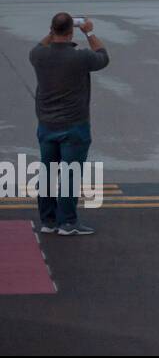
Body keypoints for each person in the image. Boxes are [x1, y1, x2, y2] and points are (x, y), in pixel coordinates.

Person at [29, 13, 109, 236]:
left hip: (46, 124)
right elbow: (103, 56)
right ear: (71, 32)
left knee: (47, 173)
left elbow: (41, 44)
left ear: (52, 30)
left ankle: (48, 220)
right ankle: (68, 222)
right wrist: (89, 32)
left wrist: (53, 31)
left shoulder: (37, 55)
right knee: (70, 174)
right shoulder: (81, 57)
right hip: (74, 125)